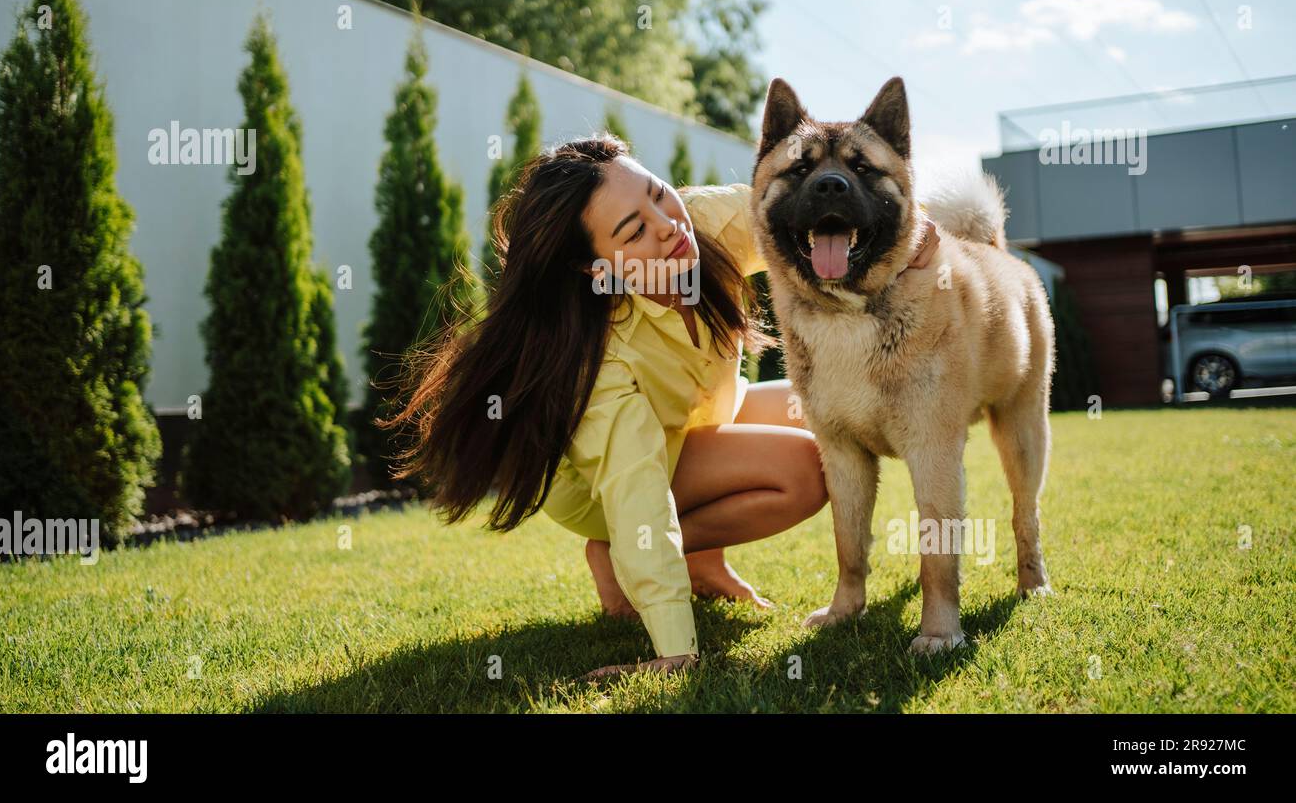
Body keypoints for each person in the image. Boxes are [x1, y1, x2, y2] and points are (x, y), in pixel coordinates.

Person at [377, 135, 939, 683]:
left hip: (701, 416)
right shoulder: (601, 365)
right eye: (633, 230)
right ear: (594, 268)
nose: (668, 226)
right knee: (807, 468)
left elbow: (802, 212)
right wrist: (674, 647)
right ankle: (620, 557)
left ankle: (702, 561)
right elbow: (638, 495)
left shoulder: (702, 222)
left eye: (656, 194)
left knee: (824, 412)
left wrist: (909, 233)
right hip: (606, 486)